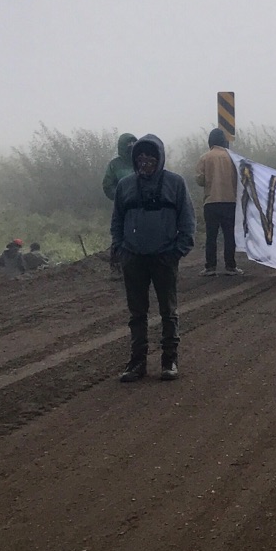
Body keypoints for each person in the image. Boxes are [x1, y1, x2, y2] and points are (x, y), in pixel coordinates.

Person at [111, 135, 194, 382]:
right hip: (133, 258)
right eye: (140, 156)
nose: (144, 160)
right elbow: (116, 220)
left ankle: (170, 360)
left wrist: (177, 251)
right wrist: (119, 249)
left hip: (164, 258)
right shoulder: (124, 186)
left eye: (150, 156)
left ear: (159, 158)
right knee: (137, 314)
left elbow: (187, 221)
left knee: (168, 311)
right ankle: (137, 363)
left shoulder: (175, 183)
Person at [195, 128, 240, 276]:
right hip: (229, 201)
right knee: (229, 235)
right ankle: (231, 266)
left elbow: (200, 180)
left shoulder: (205, 158)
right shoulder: (232, 158)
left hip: (211, 202)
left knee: (211, 236)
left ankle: (210, 267)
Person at [102, 133, 137, 277]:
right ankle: (116, 267)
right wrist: (118, 197)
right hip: (122, 206)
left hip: (140, 206)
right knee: (118, 234)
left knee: (140, 233)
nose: (131, 147)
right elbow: (107, 185)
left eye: (133, 144)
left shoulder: (140, 160)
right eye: (128, 145)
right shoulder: (114, 165)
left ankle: (139, 265)